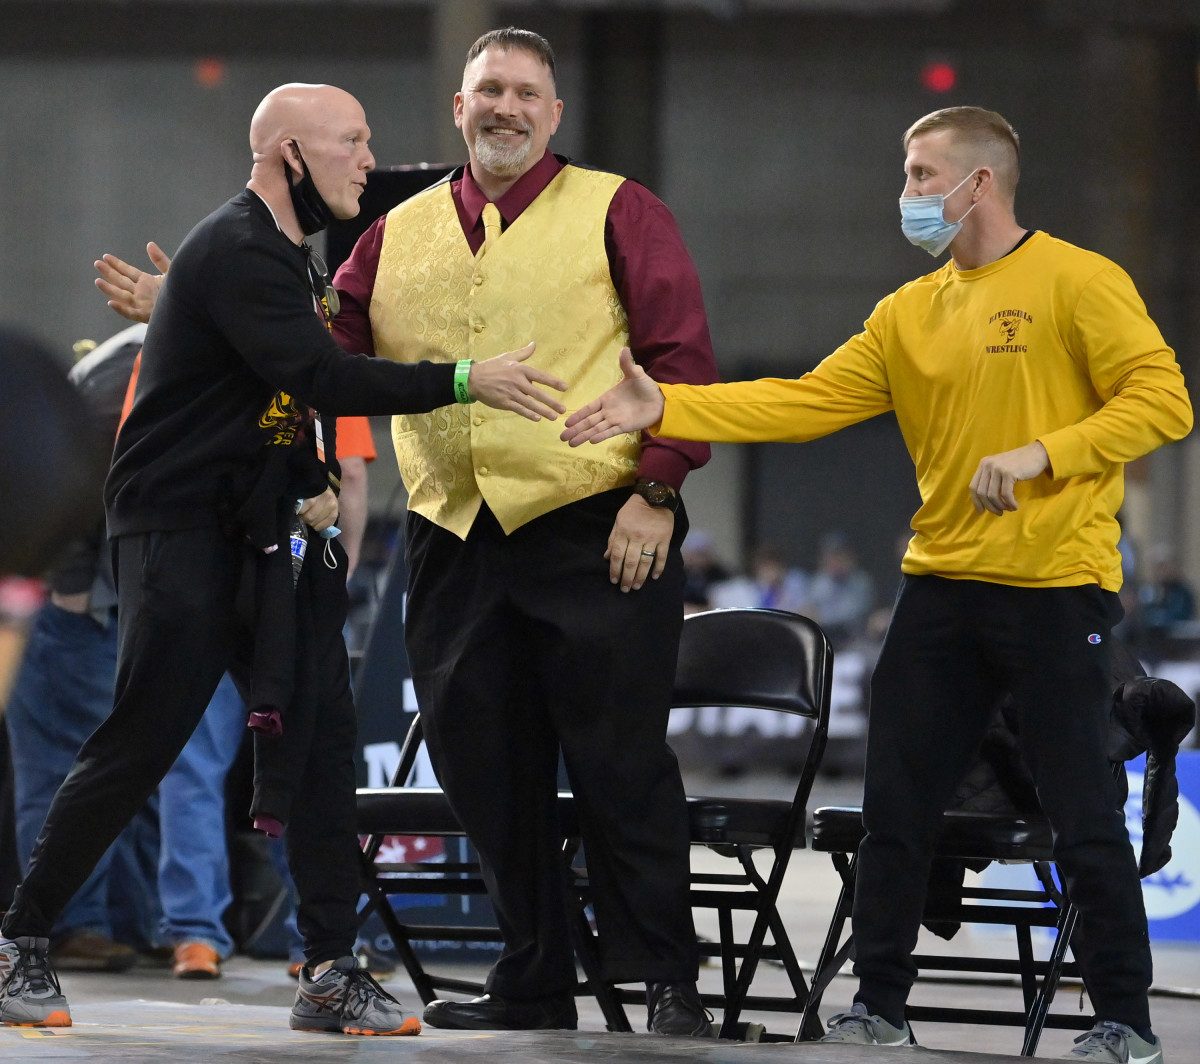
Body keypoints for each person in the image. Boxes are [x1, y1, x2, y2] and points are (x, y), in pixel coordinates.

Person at [561, 106, 1191, 1063]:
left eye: (921, 172)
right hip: (939, 589)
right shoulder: (908, 313)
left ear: (980, 183)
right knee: (897, 808)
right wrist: (670, 404)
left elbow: (1164, 401)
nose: (906, 192)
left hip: (1058, 588)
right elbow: (805, 400)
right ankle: (879, 1008)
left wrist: (1044, 453)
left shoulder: (1079, 281)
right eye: (905, 173)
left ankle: (1126, 1023)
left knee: (1080, 812)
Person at [0, 82, 567, 1035]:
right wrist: (473, 377)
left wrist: (304, 471)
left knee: (318, 746)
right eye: (351, 142)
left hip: (267, 535)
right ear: (289, 157)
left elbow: (276, 386)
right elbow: (325, 375)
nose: (367, 160)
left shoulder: (283, 260)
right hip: (180, 532)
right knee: (144, 737)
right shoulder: (236, 248)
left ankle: (331, 967)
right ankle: (18, 941)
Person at [330, 27, 720, 1036]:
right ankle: (532, 976)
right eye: (487, 91)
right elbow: (329, 351)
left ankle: (668, 978)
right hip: (451, 530)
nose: (505, 107)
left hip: (597, 524)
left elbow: (684, 361)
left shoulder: (620, 208)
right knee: (481, 765)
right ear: (458, 109)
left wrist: (659, 491)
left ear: (554, 113)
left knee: (619, 764)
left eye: (525, 93)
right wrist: (200, 312)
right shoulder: (395, 230)